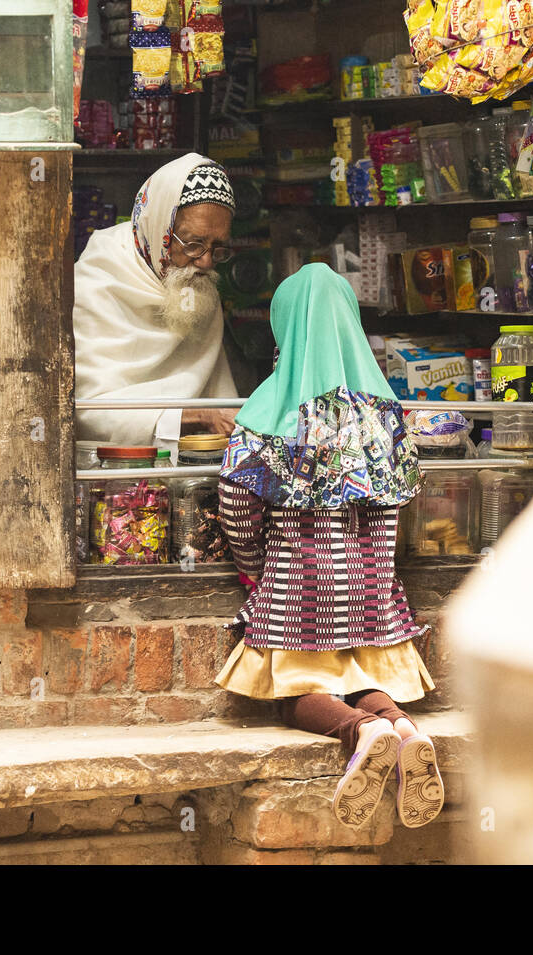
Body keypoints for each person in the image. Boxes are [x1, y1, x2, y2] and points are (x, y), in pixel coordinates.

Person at [214, 263, 445, 831]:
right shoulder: (388, 414)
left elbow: (238, 513)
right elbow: (403, 503)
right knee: (364, 681)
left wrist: (254, 574)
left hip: (300, 589)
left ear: (284, 327)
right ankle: (401, 728)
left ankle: (362, 732)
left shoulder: (267, 413)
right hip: (371, 590)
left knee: (294, 692)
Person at [73, 153, 240, 455]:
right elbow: (87, 411)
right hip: (108, 474)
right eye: (192, 243)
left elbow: (220, 401)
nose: (204, 261)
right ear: (160, 228)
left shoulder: (198, 287)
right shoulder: (97, 283)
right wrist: (200, 416)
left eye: (218, 248)